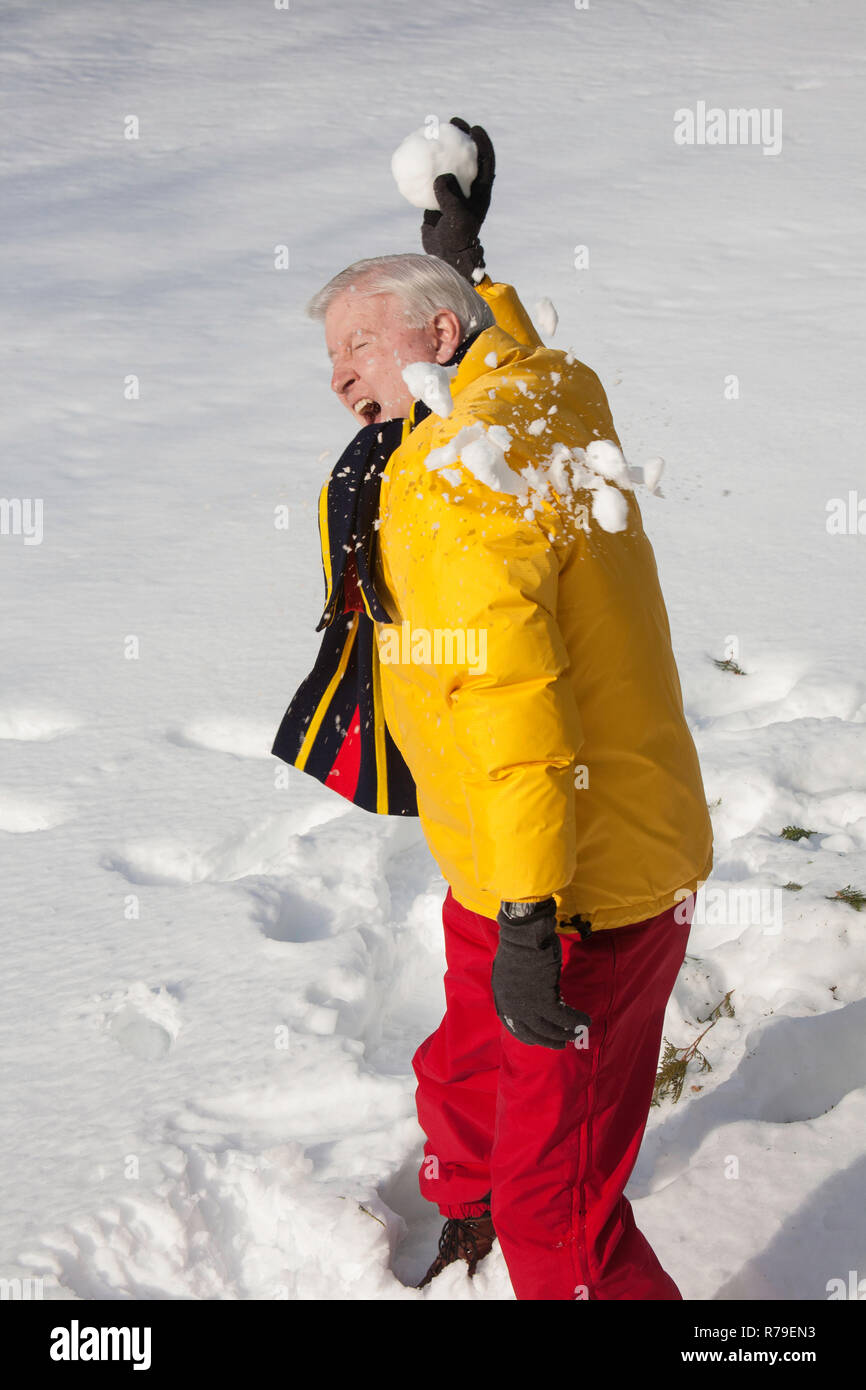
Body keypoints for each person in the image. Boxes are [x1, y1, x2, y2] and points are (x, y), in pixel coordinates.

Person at [272, 120, 713, 1300]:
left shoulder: (458, 481)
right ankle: (458, 1202)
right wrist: (464, 260)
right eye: (331, 355)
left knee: (555, 1206)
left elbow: (511, 705)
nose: (340, 372)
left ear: (439, 337)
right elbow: (494, 357)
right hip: (510, 855)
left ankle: (513, 1227)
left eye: (360, 340)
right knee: (466, 1064)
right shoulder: (539, 393)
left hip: (575, 892)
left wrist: (526, 919)